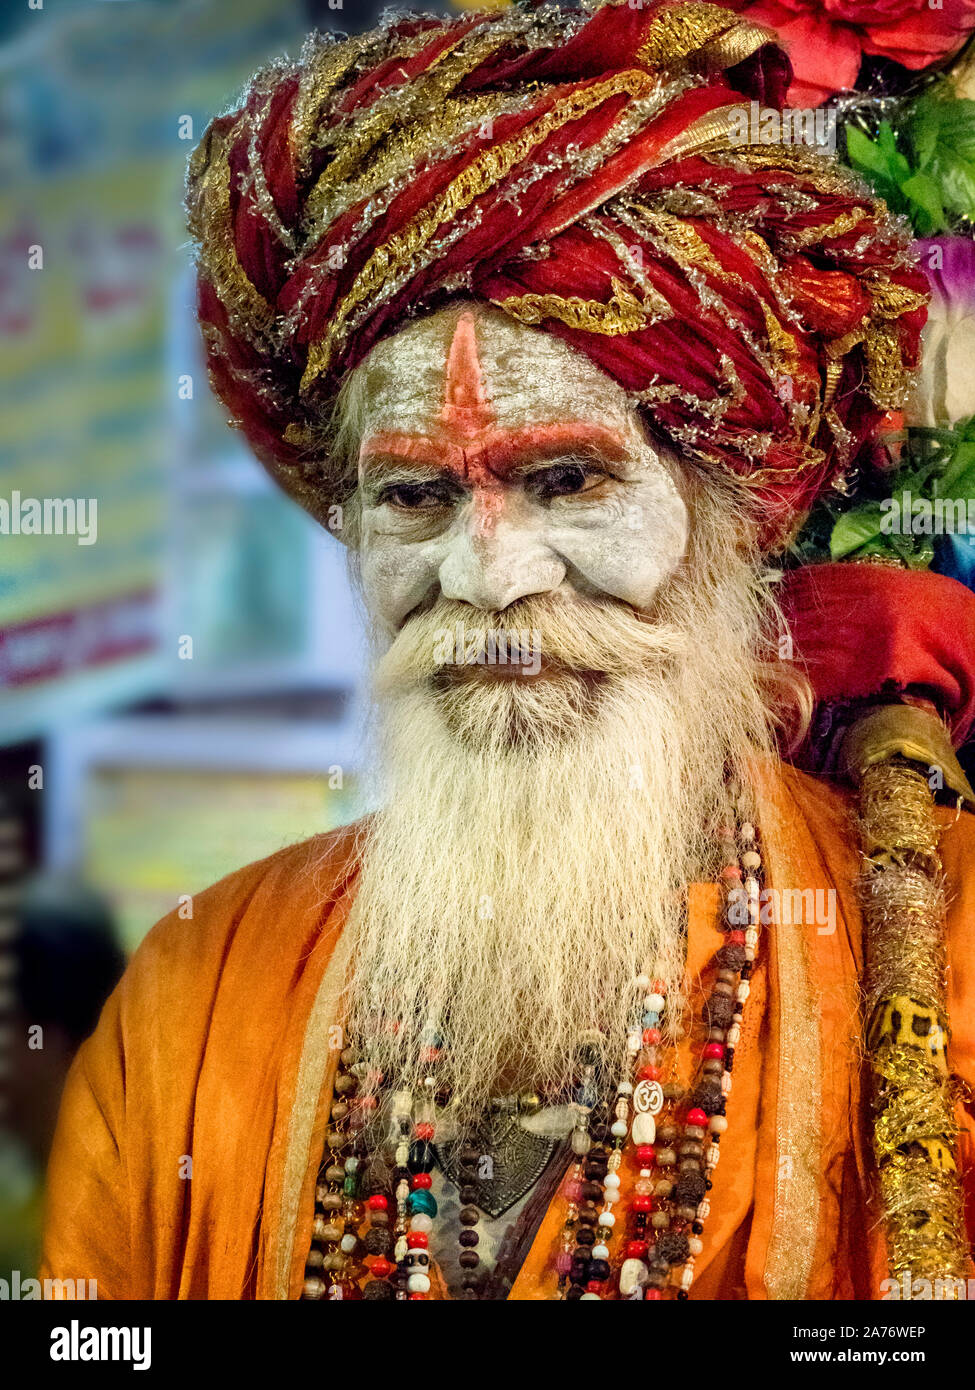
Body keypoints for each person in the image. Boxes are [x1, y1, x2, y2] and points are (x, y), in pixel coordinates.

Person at [40, 0, 975, 1300]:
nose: (488, 577)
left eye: (567, 481)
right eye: (415, 499)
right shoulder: (194, 1001)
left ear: (721, 517)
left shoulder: (952, 953)